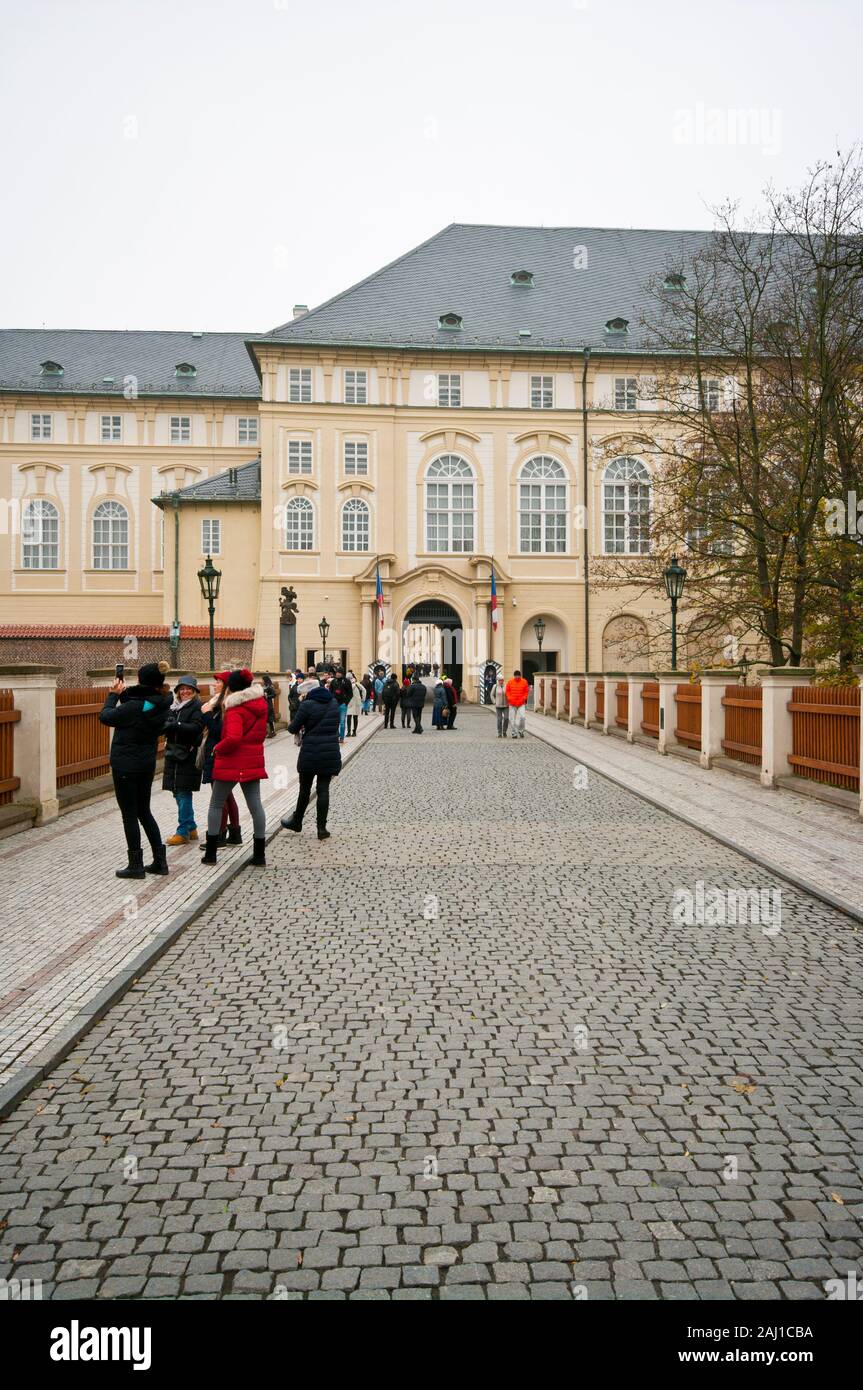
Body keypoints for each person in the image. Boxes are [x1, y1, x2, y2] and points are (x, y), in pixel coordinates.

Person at [99, 660, 172, 878]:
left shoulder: (135, 707)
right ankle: (160, 861)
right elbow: (139, 707)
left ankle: (135, 865)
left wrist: (113, 695)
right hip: (146, 764)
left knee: (129, 815)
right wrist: (124, 694)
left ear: (142, 680)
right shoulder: (160, 703)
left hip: (125, 766)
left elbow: (106, 717)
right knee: (144, 811)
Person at [202, 668, 268, 867]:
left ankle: (211, 854)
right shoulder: (260, 704)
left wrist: (217, 749)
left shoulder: (234, 709)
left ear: (231, 687)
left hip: (230, 761)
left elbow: (233, 738)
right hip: (252, 760)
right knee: (255, 805)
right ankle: (259, 855)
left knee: (216, 804)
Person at [281, 679, 341, 839]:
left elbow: (292, 728)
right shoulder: (333, 703)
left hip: (310, 752)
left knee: (305, 789)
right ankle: (322, 828)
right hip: (330, 751)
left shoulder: (307, 705)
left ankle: (297, 821)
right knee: (323, 789)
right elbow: (336, 724)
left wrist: (301, 708)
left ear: (308, 693)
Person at [200, 673, 242, 845]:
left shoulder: (225, 705)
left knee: (219, 798)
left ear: (225, 686)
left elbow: (218, 731)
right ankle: (234, 833)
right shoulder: (221, 702)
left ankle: (219, 834)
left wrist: (207, 714)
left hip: (218, 754)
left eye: (218, 682)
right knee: (227, 795)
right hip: (217, 753)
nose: (214, 684)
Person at [162, 675, 204, 845]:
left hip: (187, 755)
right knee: (176, 791)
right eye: (182, 689)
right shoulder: (174, 707)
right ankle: (191, 827)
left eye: (189, 689)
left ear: (194, 691)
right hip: (173, 753)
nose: (185, 691)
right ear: (178, 691)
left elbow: (197, 728)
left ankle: (183, 831)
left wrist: (176, 726)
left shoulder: (197, 707)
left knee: (183, 792)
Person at [506, 669, 530, 739]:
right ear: (514, 676)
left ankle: (521, 730)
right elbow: (507, 691)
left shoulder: (524, 682)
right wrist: (509, 698)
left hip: (521, 703)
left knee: (523, 717)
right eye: (516, 676)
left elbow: (526, 691)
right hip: (512, 703)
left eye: (518, 676)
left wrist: (524, 698)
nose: (517, 677)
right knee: (512, 719)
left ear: (520, 676)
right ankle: (514, 733)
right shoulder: (510, 682)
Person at [331, 667, 353, 743]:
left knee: (342, 722)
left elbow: (350, 694)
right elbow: (330, 692)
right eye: (336, 672)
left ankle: (342, 737)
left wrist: (346, 702)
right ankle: (336, 736)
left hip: (343, 705)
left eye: (339, 672)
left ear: (342, 673)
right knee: (335, 721)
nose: (337, 674)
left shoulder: (347, 681)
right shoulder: (333, 681)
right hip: (334, 704)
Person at [493, 674, 509, 738]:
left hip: (506, 705)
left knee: (506, 718)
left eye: (502, 680)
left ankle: (504, 731)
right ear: (498, 680)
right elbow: (492, 695)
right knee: (499, 720)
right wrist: (494, 701)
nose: (501, 681)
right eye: (500, 680)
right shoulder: (495, 686)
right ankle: (499, 732)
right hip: (498, 706)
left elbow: (509, 693)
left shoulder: (506, 686)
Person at [262, 673, 277, 737]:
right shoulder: (263, 686)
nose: (262, 681)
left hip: (269, 704)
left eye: (262, 680)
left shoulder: (270, 687)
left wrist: (267, 696)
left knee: (270, 719)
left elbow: (274, 694)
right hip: (263, 704)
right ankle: (265, 731)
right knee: (265, 719)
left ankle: (272, 731)